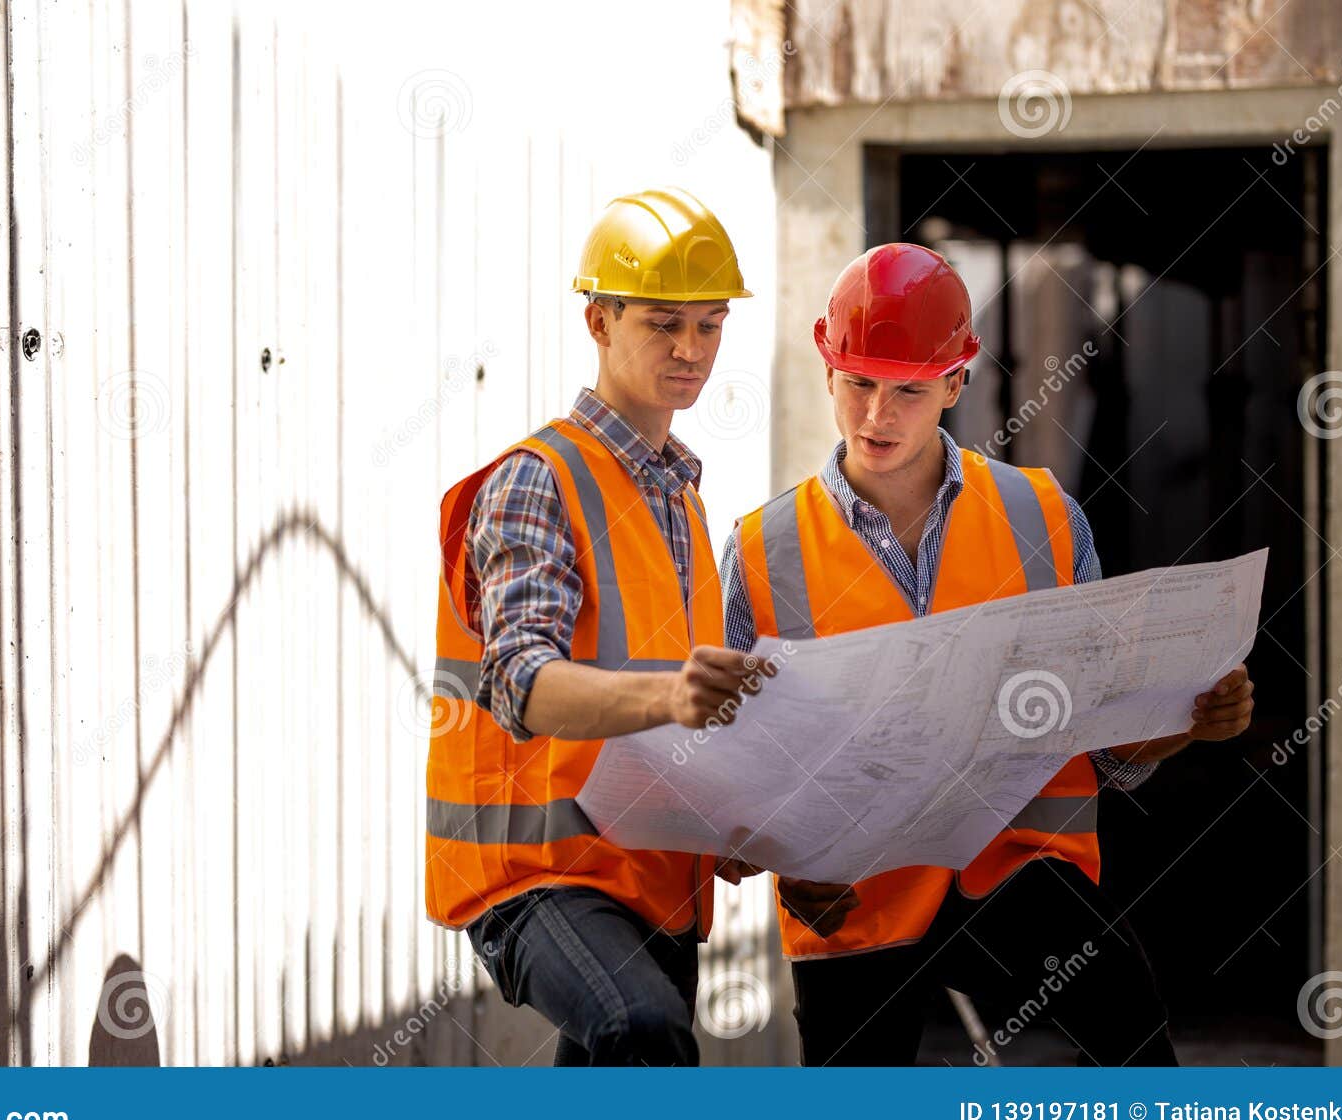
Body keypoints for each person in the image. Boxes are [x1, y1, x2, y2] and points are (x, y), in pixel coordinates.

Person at [720, 243, 1255, 1066]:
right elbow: (737, 765)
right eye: (859, 382)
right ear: (828, 371)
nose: (876, 416)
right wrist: (784, 858)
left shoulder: (1043, 515)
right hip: (855, 901)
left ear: (956, 382)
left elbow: (1107, 750)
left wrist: (1188, 722)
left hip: (1020, 873)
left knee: (1134, 1032)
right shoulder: (764, 550)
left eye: (907, 389)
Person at [425, 188, 769, 1065]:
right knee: (641, 1031)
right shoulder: (538, 480)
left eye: (709, 324)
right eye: (663, 324)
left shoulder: (682, 498)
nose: (691, 350)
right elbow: (520, 681)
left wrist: (732, 821)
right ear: (599, 320)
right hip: (539, 877)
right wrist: (675, 694)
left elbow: (684, 713)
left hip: (654, 872)